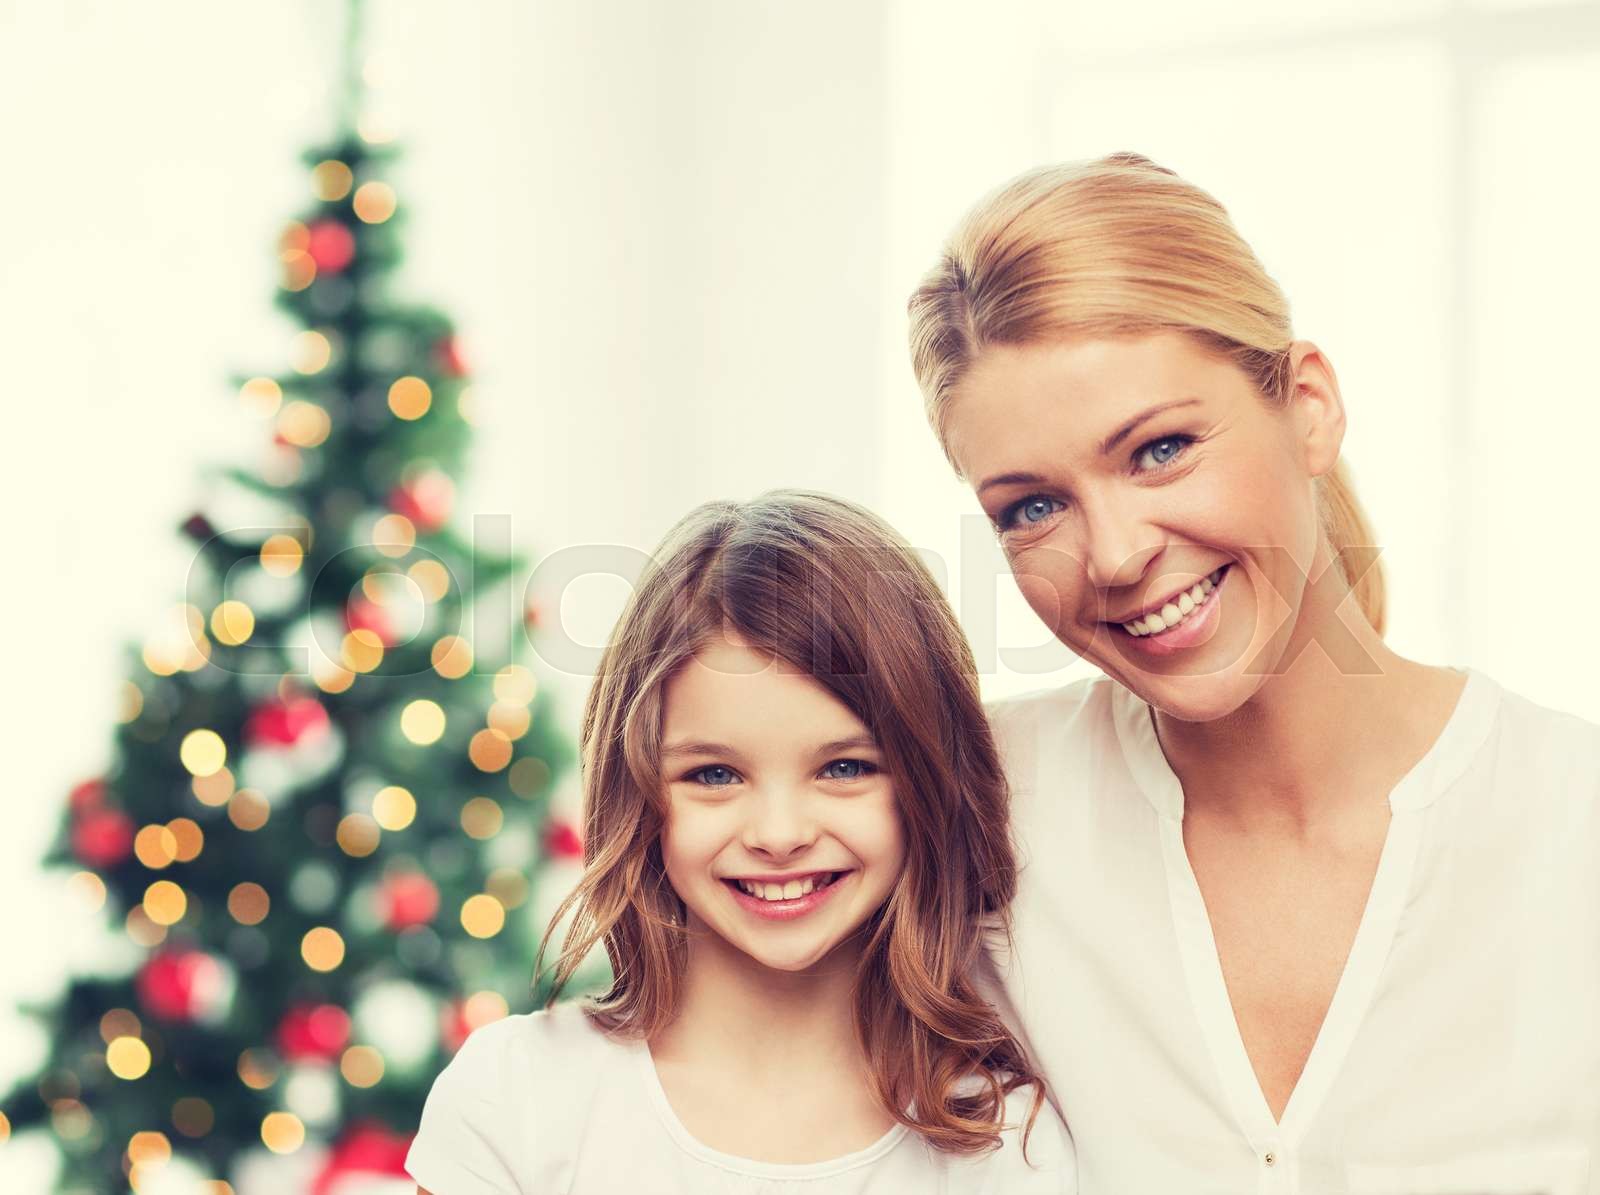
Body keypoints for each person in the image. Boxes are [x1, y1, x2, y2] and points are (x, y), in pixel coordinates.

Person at [907, 152, 1600, 1194]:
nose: (1114, 553)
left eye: (1159, 448)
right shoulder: (973, 812)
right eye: (1030, 507)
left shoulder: (1568, 820)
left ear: (1308, 405)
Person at [405, 490, 1074, 1193]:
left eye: (844, 767)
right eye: (715, 774)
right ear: (637, 793)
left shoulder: (1004, 1139)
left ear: (926, 783)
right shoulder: (517, 1098)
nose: (779, 835)